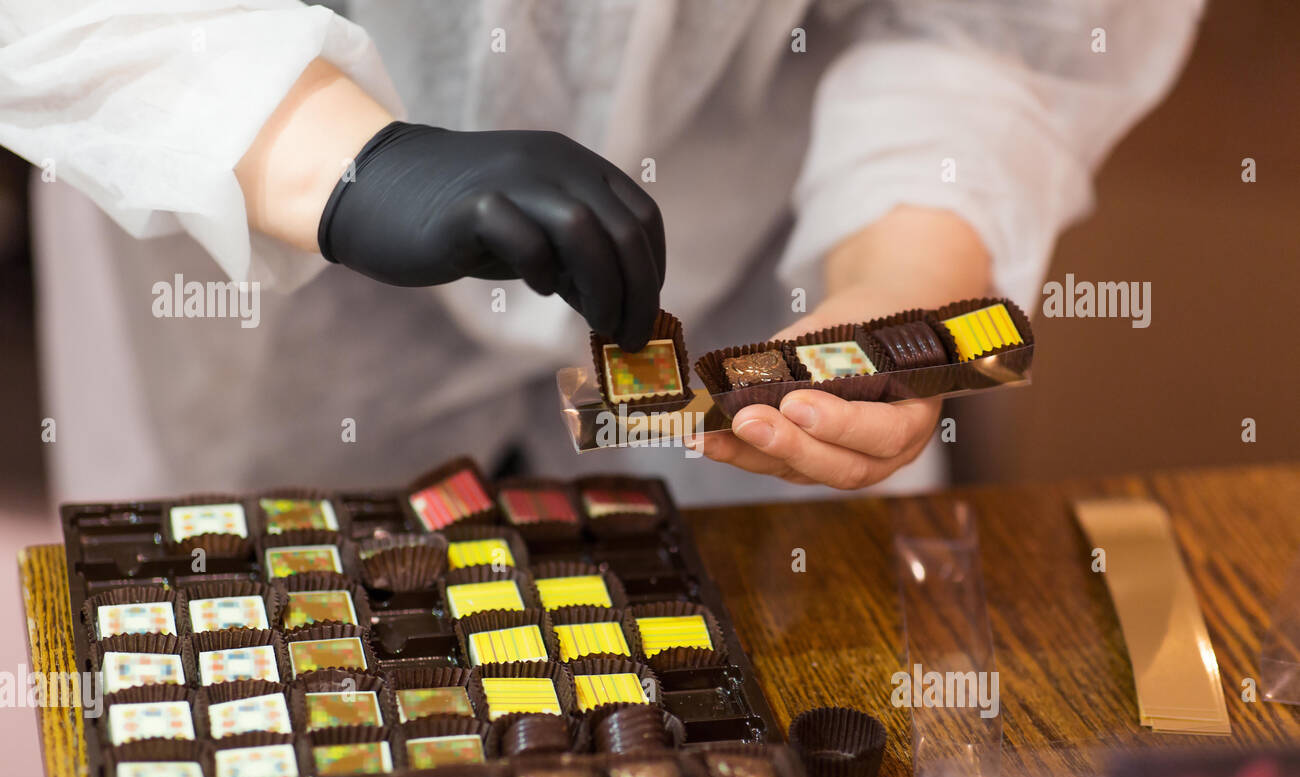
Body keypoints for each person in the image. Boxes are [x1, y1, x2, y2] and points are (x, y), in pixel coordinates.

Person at [0, 0, 1202, 505]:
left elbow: (987, 25)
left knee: (745, 707)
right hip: (264, 264)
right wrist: (321, 149)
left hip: (756, 240)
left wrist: (897, 270)